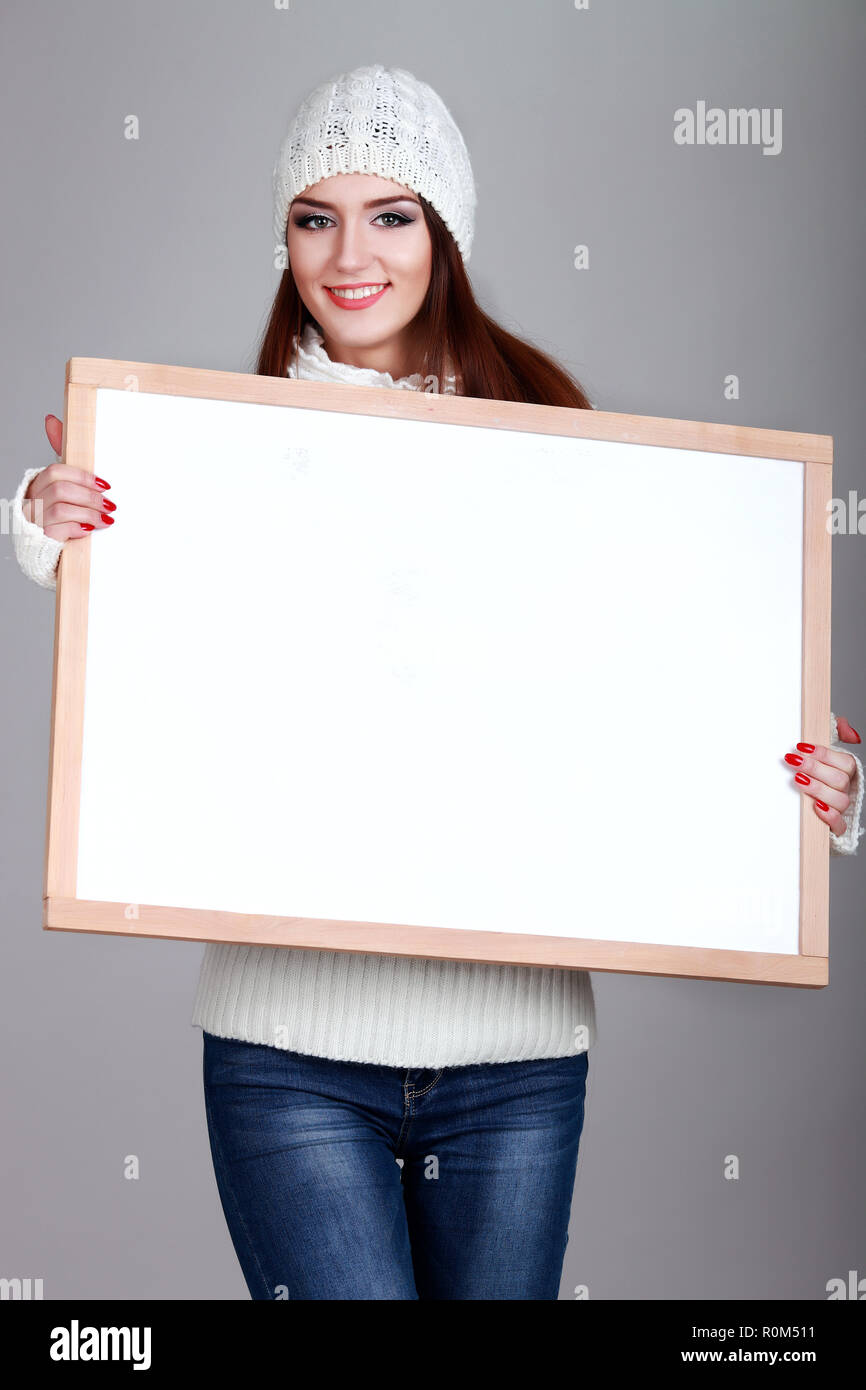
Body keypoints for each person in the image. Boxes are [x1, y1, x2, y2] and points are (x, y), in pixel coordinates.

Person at [10, 64, 864, 1301]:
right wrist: (47, 524)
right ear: (284, 238)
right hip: (286, 1047)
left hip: (514, 1058)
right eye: (315, 216)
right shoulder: (214, 451)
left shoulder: (560, 440)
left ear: (445, 234)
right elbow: (143, 624)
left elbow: (652, 698)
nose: (349, 254)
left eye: (391, 215)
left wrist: (816, 794)